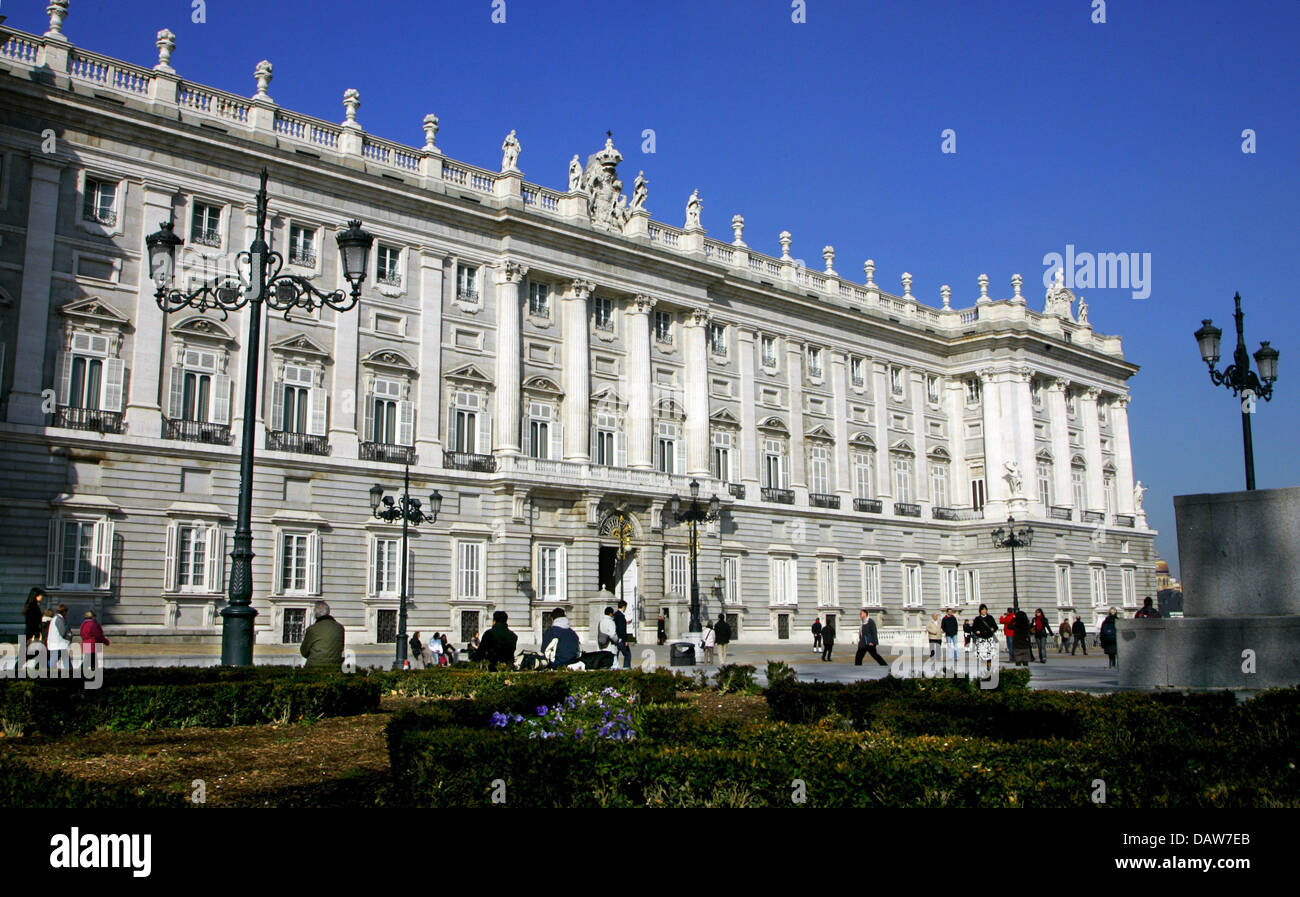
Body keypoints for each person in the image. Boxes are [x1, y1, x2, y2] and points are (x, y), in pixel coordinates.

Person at [300, 601, 345, 669]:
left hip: (315, 666)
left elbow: (304, 652)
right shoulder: (340, 628)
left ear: (315, 614)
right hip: (335, 666)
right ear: (328, 612)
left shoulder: (312, 629)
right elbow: (341, 648)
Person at [971, 604, 999, 672]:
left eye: (985, 609)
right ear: (980, 611)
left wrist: (993, 629)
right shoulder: (977, 619)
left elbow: (995, 626)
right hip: (981, 638)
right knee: (982, 653)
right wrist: (976, 631)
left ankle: (989, 665)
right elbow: (973, 628)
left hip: (989, 638)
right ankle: (982, 667)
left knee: (989, 653)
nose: (984, 611)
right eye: (982, 609)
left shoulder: (990, 618)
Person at [46, 604, 73, 674]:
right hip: (59, 645)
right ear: (63, 612)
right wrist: (69, 636)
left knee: (53, 662)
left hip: (56, 645)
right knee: (55, 662)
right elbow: (63, 632)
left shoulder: (55, 618)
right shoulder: (59, 619)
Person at [21, 588, 45, 654]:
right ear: (36, 596)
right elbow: (33, 623)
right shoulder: (34, 607)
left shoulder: (30, 606)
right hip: (32, 634)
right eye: (40, 595)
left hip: (29, 633)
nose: (42, 597)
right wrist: (36, 634)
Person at [613, 600, 632, 670]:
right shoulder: (621, 616)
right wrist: (625, 640)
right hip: (621, 639)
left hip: (616, 639)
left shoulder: (615, 614)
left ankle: (614, 668)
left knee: (616, 655)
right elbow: (622, 629)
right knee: (627, 654)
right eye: (625, 607)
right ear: (623, 607)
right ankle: (626, 668)